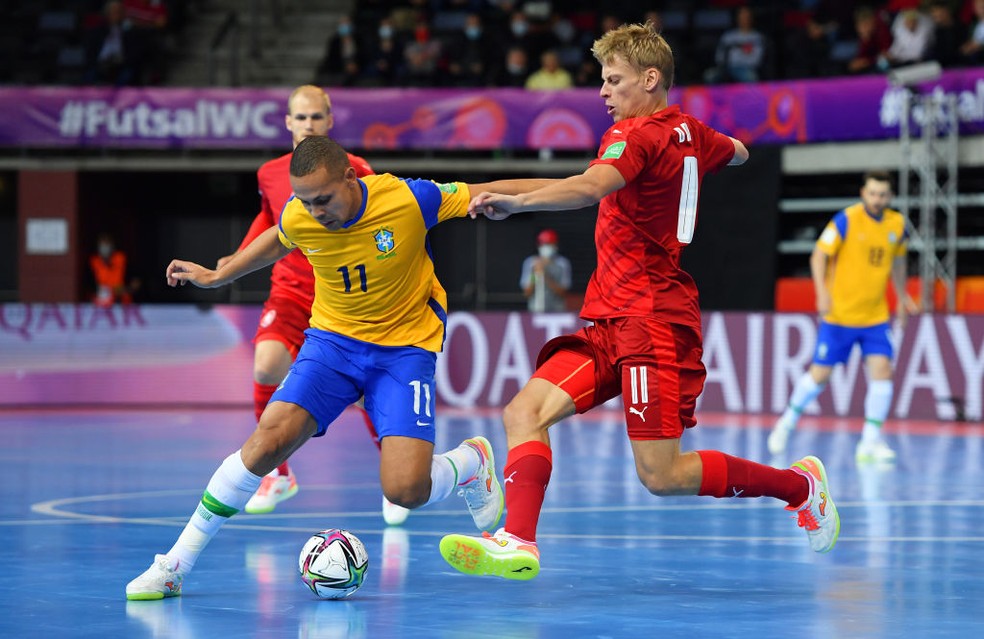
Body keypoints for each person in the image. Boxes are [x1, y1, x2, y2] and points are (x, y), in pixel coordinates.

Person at [438, 21, 840, 581]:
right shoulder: (690, 132)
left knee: (662, 475)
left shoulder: (637, 135)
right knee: (523, 412)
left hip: (650, 320)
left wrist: (514, 207)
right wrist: (503, 192)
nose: (603, 92)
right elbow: (741, 151)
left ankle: (800, 486)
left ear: (650, 79)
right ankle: (518, 540)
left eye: (613, 80)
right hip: (610, 319)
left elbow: (586, 188)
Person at [125, 136, 553, 599]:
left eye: (322, 199)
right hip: (332, 345)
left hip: (403, 351)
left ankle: (471, 463)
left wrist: (578, 185)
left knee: (405, 490)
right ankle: (174, 565)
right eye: (305, 202)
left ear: (351, 177)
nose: (314, 212)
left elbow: (488, 188)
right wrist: (218, 274)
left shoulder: (407, 198)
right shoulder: (300, 214)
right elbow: (277, 238)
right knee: (266, 442)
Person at [216, 85, 398, 522]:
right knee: (264, 366)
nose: (309, 126)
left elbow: (378, 224)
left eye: (317, 118)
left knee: (363, 392)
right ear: (288, 123)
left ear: (330, 122)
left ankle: (394, 477)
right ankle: (278, 475)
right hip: (291, 290)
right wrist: (239, 257)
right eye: (301, 118)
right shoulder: (270, 174)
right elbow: (269, 221)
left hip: (342, 293)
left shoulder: (355, 169)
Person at [767, 171, 917, 464]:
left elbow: (898, 260)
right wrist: (822, 292)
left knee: (883, 372)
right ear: (863, 193)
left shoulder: (897, 225)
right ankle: (785, 424)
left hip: (875, 317)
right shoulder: (846, 220)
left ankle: (869, 443)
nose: (877, 199)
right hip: (839, 316)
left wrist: (901, 295)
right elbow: (818, 256)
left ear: (890, 196)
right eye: (873, 193)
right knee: (820, 376)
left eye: (883, 194)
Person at [519, 228, 572, 312]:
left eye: (549, 244)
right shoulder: (530, 262)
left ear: (555, 245)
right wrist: (535, 274)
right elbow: (527, 292)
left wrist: (545, 276)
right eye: (544, 244)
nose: (546, 247)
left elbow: (563, 292)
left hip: (556, 311)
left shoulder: (562, 263)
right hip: (535, 310)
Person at [89, 232, 137, 306]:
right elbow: (90, 287)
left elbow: (135, 283)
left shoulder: (121, 259)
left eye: (107, 244)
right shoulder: (94, 262)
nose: (104, 248)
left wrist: (125, 290)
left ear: (112, 246)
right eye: (102, 245)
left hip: (123, 304)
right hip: (101, 303)